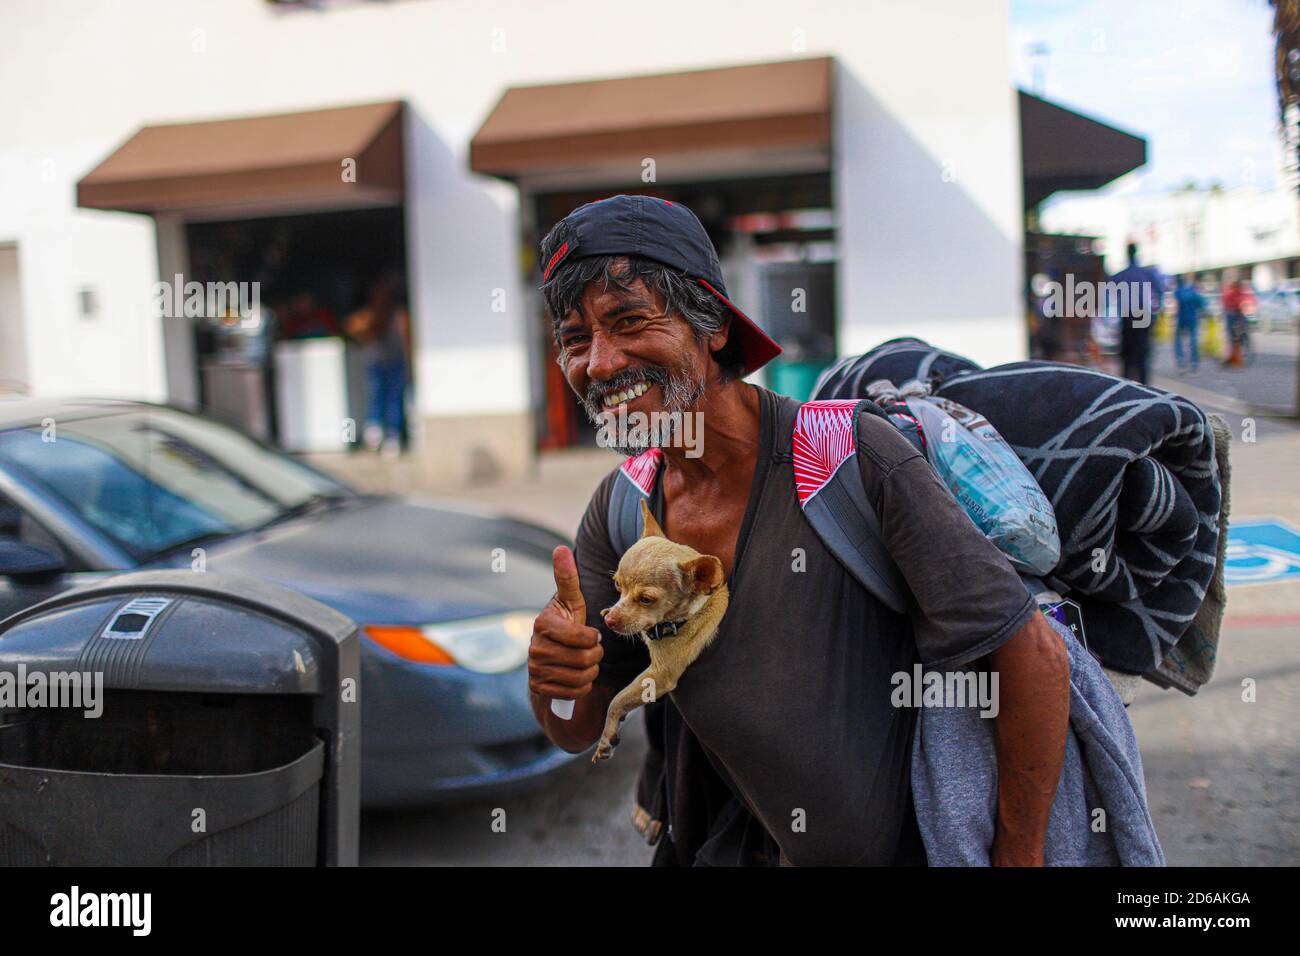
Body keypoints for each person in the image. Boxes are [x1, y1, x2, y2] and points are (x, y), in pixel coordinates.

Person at [526, 195, 1069, 867]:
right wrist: (552, 678)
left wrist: (1020, 854)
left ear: (714, 326)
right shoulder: (621, 506)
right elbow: (576, 727)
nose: (600, 364)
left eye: (629, 320)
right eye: (575, 340)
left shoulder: (851, 461)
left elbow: (1032, 660)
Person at [346, 276, 409, 456]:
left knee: (392, 399)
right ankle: (378, 435)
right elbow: (351, 328)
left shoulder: (397, 315)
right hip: (378, 363)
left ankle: (390, 437)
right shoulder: (370, 315)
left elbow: (406, 339)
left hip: (394, 363)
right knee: (379, 397)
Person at [1108, 242, 1162, 384]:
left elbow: (1109, 291)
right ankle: (1145, 386)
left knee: (1127, 357)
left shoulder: (1122, 275)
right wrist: (1155, 314)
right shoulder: (1146, 273)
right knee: (1142, 355)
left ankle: (1126, 386)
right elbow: (1160, 292)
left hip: (1128, 316)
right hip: (1144, 315)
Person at [1173, 274, 1205, 373]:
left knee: (1178, 339)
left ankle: (1180, 359)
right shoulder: (1194, 292)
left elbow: (1176, 304)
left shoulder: (1178, 291)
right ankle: (1194, 362)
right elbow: (1201, 304)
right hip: (1192, 318)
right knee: (1193, 340)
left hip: (1181, 318)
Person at [1221, 277, 1246, 369]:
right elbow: (1238, 304)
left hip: (1233, 315)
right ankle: (1234, 360)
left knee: (1232, 338)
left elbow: (1227, 304)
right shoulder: (1235, 293)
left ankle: (1232, 359)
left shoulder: (1231, 292)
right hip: (1234, 315)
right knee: (1235, 338)